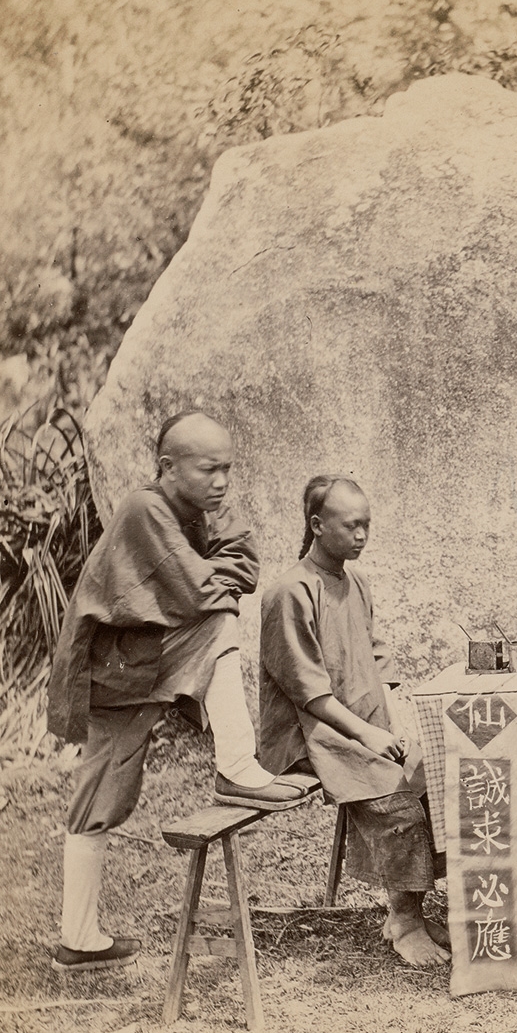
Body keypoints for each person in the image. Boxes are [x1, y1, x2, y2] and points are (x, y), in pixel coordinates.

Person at [47, 410, 306, 973]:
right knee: (100, 800)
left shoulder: (206, 507)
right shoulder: (144, 508)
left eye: (227, 470)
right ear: (168, 467)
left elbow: (242, 570)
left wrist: (203, 579)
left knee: (217, 620)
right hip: (118, 670)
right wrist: (202, 580)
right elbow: (201, 589)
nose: (222, 482)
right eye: (209, 469)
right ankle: (78, 939)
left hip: (155, 655)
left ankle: (238, 765)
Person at [257, 476, 448, 967]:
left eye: (367, 525)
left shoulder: (356, 581)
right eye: (352, 525)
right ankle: (404, 923)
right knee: (398, 805)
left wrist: (396, 719)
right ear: (317, 526)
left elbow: (375, 662)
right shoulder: (290, 591)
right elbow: (308, 691)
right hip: (311, 734)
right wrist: (366, 734)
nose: (362, 535)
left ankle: (407, 910)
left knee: (434, 781)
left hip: (364, 723)